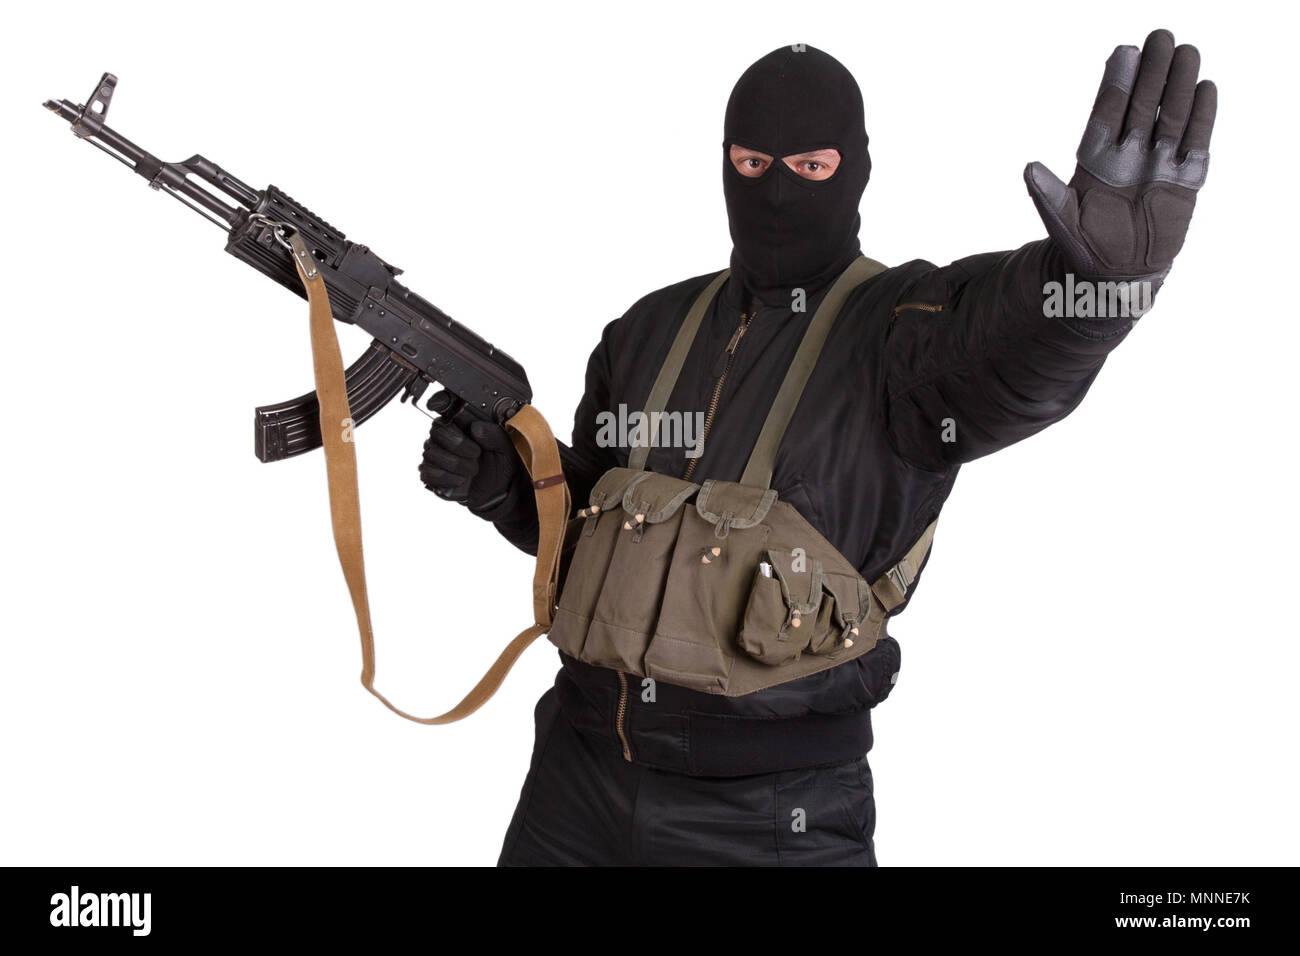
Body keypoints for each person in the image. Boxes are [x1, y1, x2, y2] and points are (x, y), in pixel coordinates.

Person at [419, 31, 1216, 866]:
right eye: (752, 163)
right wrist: (506, 487)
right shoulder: (647, 327)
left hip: (773, 812)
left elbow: (1009, 349)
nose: (774, 190)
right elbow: (600, 538)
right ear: (723, 161)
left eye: (810, 168)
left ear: (858, 168)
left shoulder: (906, 331)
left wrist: (1091, 292)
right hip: (574, 779)